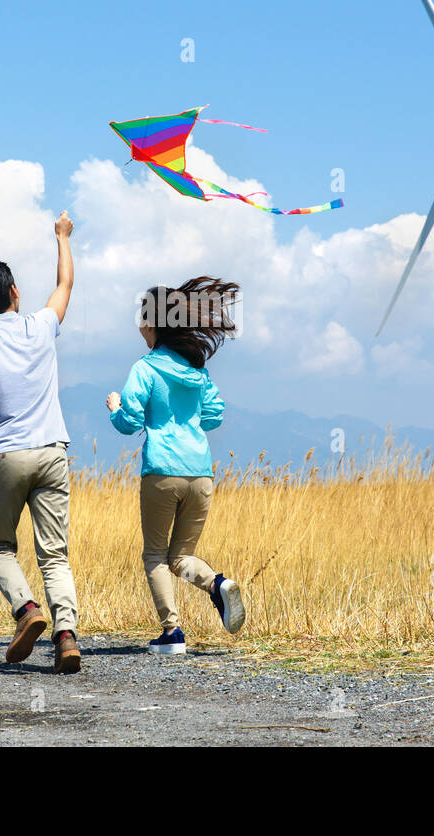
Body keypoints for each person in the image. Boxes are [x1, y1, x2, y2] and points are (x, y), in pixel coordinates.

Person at [0, 211, 80, 674]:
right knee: (55, 554)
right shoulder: (41, 324)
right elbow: (65, 283)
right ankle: (66, 636)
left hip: (6, 454)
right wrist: (61, 237)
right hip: (52, 451)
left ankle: (28, 611)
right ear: (14, 292)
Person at [106, 276, 246, 655]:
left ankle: (172, 634)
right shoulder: (197, 371)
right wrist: (187, 423)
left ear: (152, 324)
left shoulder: (145, 368)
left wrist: (116, 409)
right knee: (180, 557)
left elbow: (130, 422)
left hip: (162, 472)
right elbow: (215, 414)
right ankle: (217, 585)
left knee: (155, 555)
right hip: (201, 472)